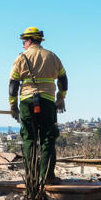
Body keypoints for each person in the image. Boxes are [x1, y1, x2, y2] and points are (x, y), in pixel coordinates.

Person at [9, 27, 68, 184]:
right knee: (48, 138)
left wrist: (13, 105)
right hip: (48, 102)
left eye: (24, 42)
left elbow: (13, 84)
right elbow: (63, 79)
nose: (23, 45)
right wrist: (61, 98)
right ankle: (47, 177)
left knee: (29, 139)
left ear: (29, 40)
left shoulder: (21, 58)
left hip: (27, 102)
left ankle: (32, 177)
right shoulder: (52, 57)